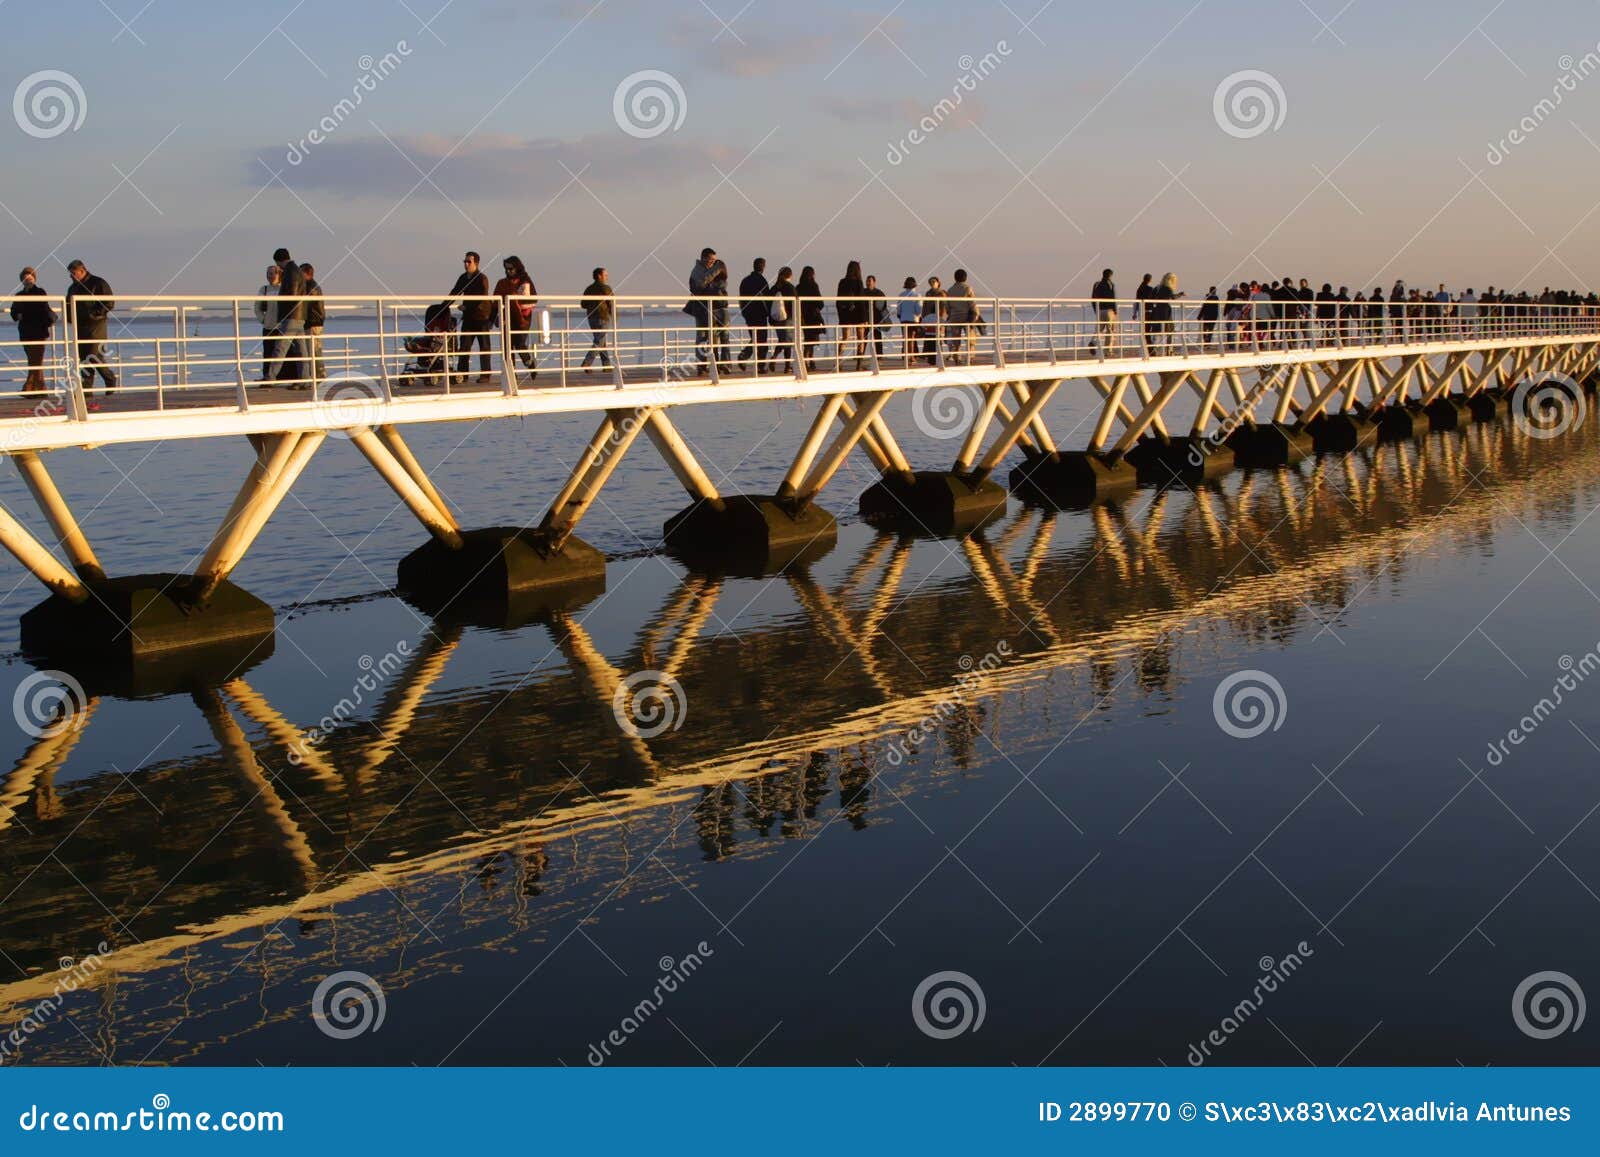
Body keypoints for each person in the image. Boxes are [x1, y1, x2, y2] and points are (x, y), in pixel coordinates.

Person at [65, 259, 116, 392]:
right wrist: (70, 318)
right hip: (79, 327)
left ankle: (110, 379)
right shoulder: (73, 288)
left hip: (96, 326)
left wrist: (93, 315)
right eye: (70, 273)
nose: (71, 276)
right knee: (83, 358)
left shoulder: (98, 283)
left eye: (73, 273)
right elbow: (68, 305)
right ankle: (87, 389)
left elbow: (109, 303)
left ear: (82, 271)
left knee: (95, 356)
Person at [450, 251, 494, 382]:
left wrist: (466, 307)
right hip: (468, 318)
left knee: (484, 346)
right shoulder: (463, 278)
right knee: (464, 346)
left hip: (482, 317)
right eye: (465, 261)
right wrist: (443, 306)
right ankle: (462, 375)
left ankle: (485, 376)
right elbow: (455, 292)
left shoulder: (482, 278)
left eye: (469, 262)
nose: (466, 264)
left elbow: (482, 297)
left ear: (476, 263)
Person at [262, 248, 305, 384]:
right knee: (300, 350)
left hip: (291, 315)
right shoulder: (297, 270)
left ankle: (270, 377)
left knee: (280, 347)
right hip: (299, 314)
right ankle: (305, 378)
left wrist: (282, 308)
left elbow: (291, 293)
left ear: (279, 260)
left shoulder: (290, 271)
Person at [11, 267, 56, 394]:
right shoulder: (19, 295)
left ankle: (29, 388)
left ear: (34, 279)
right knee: (34, 360)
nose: (28, 280)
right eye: (25, 278)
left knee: (35, 360)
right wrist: (18, 315)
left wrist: (23, 314)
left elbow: (39, 310)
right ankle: (40, 389)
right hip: (25, 332)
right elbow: (14, 312)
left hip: (38, 331)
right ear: (22, 280)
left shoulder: (40, 292)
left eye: (30, 278)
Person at [687, 247, 729, 372]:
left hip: (714, 307)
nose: (713, 262)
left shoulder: (713, 270)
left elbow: (722, 284)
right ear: (703, 258)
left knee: (715, 336)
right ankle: (702, 365)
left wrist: (713, 285)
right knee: (702, 336)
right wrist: (715, 273)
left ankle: (715, 364)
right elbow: (700, 285)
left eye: (714, 260)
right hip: (701, 308)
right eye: (711, 260)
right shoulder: (697, 271)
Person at [495, 255, 538, 379]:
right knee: (507, 345)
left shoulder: (525, 281)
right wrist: (493, 317)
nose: (508, 272)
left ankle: (529, 363)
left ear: (517, 268)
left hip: (522, 319)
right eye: (506, 269)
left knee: (519, 343)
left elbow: (534, 299)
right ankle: (511, 373)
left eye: (511, 269)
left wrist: (516, 301)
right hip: (506, 317)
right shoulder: (502, 283)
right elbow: (495, 301)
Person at [737, 257, 770, 371]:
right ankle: (760, 365)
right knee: (762, 339)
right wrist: (769, 313)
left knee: (755, 338)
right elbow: (767, 299)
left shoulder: (745, 281)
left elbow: (741, 298)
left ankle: (745, 356)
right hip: (760, 314)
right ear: (763, 267)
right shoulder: (762, 281)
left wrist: (743, 311)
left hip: (748, 313)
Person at [580, 267, 614, 372]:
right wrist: (612, 314)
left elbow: (583, 304)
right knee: (599, 341)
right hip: (602, 317)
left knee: (601, 341)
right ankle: (587, 363)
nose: (607, 277)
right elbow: (612, 302)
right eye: (605, 275)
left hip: (591, 318)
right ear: (599, 276)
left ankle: (607, 365)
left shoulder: (589, 289)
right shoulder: (605, 288)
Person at [836, 260, 867, 370]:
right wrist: (865, 318)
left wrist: (841, 315)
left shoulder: (842, 282)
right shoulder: (858, 282)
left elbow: (838, 300)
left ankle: (839, 360)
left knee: (845, 338)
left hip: (845, 314)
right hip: (858, 313)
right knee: (860, 338)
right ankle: (859, 363)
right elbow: (861, 301)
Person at [766, 266, 797, 374]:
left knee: (782, 340)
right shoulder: (790, 287)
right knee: (787, 341)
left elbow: (768, 302)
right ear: (790, 275)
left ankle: (774, 358)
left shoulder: (774, 287)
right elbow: (795, 303)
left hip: (776, 318)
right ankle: (787, 365)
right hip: (788, 318)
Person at [254, 264, 281, 382]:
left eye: (272, 273)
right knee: (267, 353)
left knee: (280, 352)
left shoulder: (283, 289)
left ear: (278, 274)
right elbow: (257, 308)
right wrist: (263, 320)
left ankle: (279, 376)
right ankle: (267, 376)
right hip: (268, 326)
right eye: (268, 274)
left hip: (281, 327)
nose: (270, 276)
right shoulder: (263, 290)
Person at [944, 268, 977, 363]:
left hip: (954, 316)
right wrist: (976, 314)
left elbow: (947, 305)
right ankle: (969, 357)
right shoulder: (967, 288)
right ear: (965, 278)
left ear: (955, 278)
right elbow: (972, 303)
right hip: (966, 316)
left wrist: (950, 313)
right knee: (970, 337)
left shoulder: (950, 290)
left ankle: (956, 356)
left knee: (956, 338)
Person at [299, 262, 324, 388]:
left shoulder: (310, 287)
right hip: (314, 322)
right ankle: (316, 377)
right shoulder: (312, 285)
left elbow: (305, 305)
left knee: (314, 351)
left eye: (300, 272)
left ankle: (318, 378)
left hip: (313, 322)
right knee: (313, 351)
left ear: (307, 273)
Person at [796, 266, 826, 371]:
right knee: (812, 340)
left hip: (803, 317)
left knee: (808, 339)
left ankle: (808, 361)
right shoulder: (813, 285)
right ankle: (809, 361)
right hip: (813, 316)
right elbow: (820, 303)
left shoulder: (798, 287)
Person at [920, 275, 947, 364]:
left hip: (938, 319)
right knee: (928, 338)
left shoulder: (941, 293)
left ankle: (939, 357)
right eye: (930, 282)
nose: (932, 283)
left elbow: (943, 307)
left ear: (938, 283)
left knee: (938, 339)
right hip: (928, 318)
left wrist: (941, 319)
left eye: (933, 281)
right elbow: (925, 306)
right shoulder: (928, 293)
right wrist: (923, 317)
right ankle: (929, 357)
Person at [1091, 269, 1117, 355]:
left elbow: (1093, 299)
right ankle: (1107, 351)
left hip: (1100, 309)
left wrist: (1096, 310)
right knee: (1110, 330)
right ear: (1110, 275)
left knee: (1099, 329)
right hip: (1109, 310)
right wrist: (1115, 310)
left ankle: (1093, 342)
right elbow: (1113, 298)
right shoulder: (1111, 284)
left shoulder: (1097, 284)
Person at [864, 275, 889, 363]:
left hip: (876, 318)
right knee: (864, 337)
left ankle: (879, 355)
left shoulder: (879, 293)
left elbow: (883, 306)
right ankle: (860, 354)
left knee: (877, 337)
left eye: (870, 281)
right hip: (865, 319)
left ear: (874, 282)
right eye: (867, 281)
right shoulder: (863, 292)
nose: (868, 282)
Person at [896, 276, 920, 365]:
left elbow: (898, 309)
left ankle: (906, 355)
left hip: (903, 318)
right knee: (912, 338)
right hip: (913, 319)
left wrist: (900, 315)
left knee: (905, 338)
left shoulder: (901, 295)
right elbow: (918, 310)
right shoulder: (917, 295)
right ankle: (911, 357)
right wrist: (919, 316)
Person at [1134, 273, 1154, 352]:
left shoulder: (1139, 289)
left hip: (1142, 312)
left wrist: (1135, 313)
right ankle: (1150, 348)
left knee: (1145, 331)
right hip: (1149, 312)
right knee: (1148, 331)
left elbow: (1137, 301)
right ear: (1150, 280)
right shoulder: (1150, 289)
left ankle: (1147, 348)